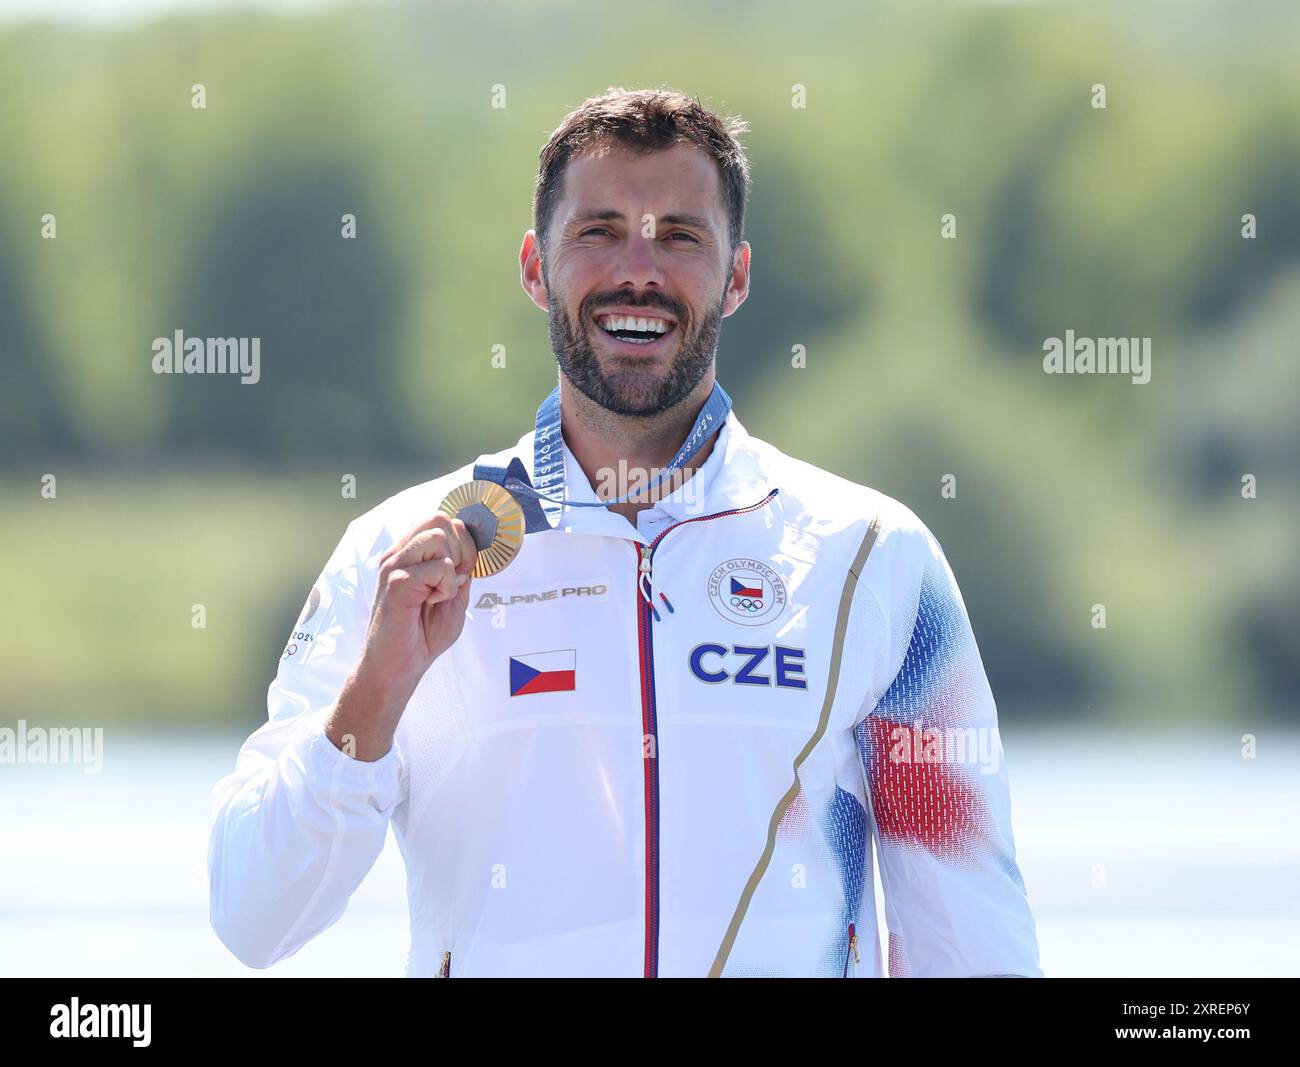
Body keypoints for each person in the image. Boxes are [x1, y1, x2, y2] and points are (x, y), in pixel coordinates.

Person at [207, 87, 1041, 978]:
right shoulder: (403, 552)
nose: (638, 270)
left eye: (680, 235)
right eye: (599, 231)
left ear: (737, 274)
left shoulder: (874, 557)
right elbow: (253, 917)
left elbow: (970, 935)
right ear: (536, 267)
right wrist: (376, 691)